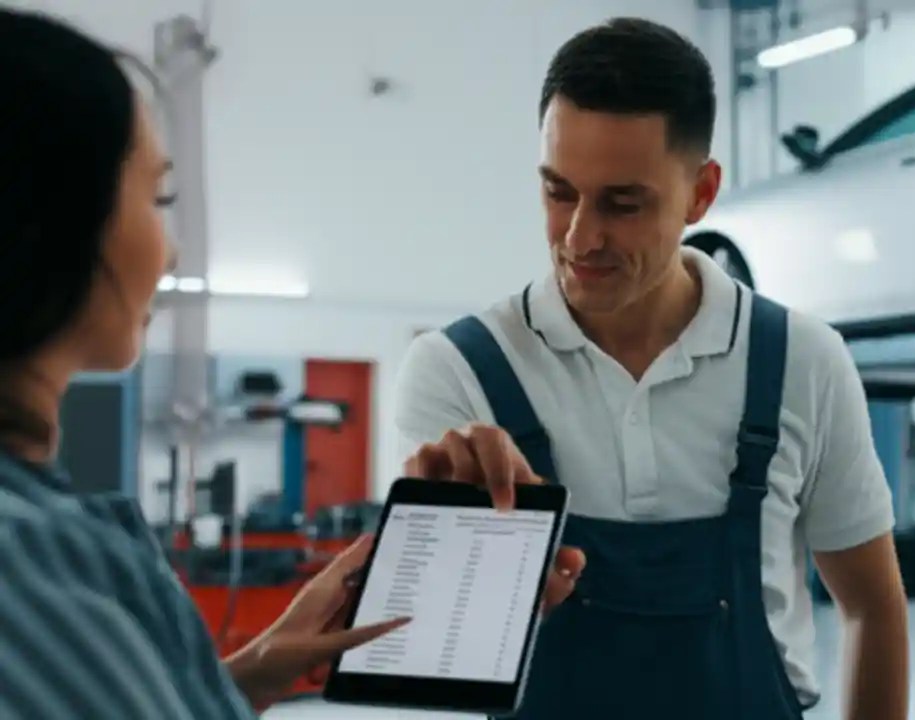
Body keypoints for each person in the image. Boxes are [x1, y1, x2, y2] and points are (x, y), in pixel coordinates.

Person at [0, 9, 584, 719]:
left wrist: (249, 674)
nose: (172, 249)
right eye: (157, 200)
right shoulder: (33, 561)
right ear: (52, 216)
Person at [397, 16, 909, 720]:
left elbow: (872, 609)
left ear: (701, 193)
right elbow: (437, 656)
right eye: (559, 192)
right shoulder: (458, 372)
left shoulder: (801, 362)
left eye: (622, 203)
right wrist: (451, 541)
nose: (580, 237)